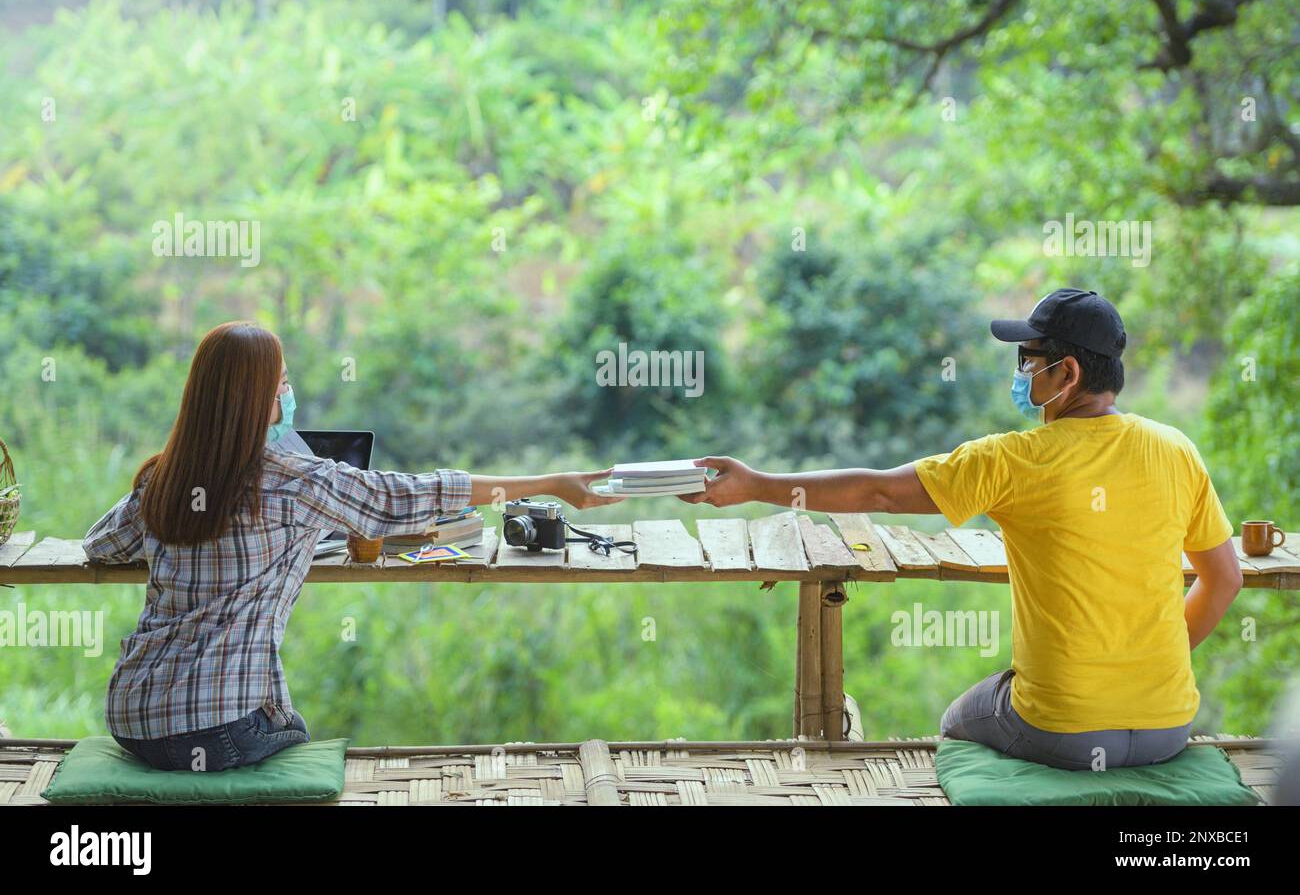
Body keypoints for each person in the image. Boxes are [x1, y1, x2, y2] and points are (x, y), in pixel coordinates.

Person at [680, 288, 1243, 770]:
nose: (1022, 375)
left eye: (1029, 361)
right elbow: (1223, 580)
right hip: (1168, 727)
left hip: (1062, 728)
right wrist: (1149, 663)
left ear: (1066, 374)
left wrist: (756, 484)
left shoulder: (1015, 459)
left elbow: (878, 491)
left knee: (957, 722)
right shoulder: (1176, 451)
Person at [83, 321, 622, 772]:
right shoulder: (294, 481)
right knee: (292, 731)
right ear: (260, 402)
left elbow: (101, 545)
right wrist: (552, 482)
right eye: (281, 386)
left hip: (132, 716)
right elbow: (412, 495)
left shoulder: (164, 481)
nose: (287, 397)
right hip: (214, 730)